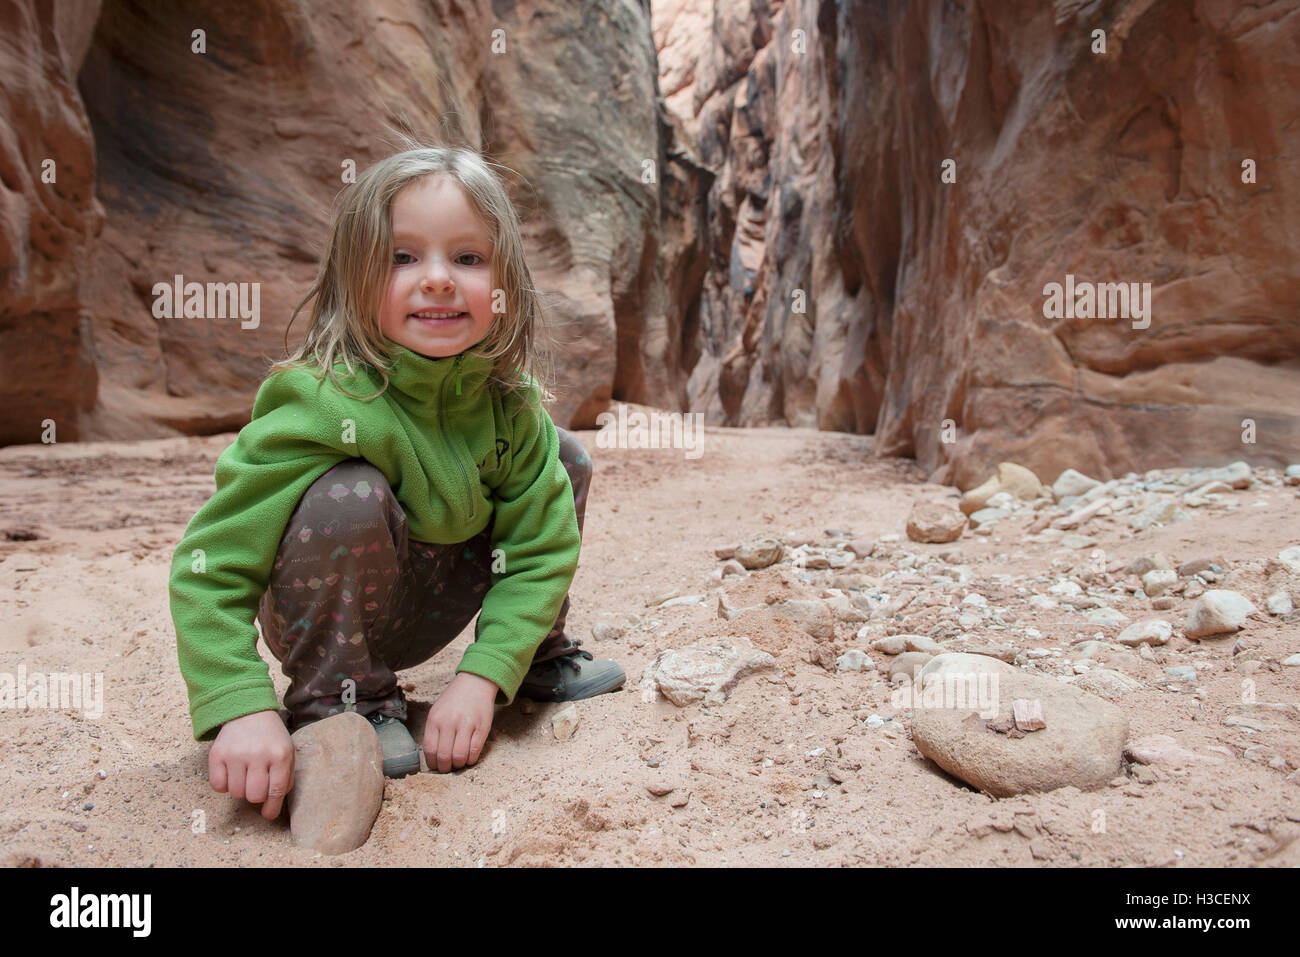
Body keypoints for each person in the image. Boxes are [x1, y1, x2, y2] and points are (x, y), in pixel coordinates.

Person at [168, 143, 625, 821]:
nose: (437, 280)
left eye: (467, 259)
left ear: (506, 284)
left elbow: (538, 547)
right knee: (348, 493)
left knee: (563, 458)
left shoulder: (509, 404)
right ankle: (340, 697)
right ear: (355, 279)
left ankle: (531, 654)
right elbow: (211, 563)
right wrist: (237, 703)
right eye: (402, 257)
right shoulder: (318, 400)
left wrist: (481, 676)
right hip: (333, 610)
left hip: (434, 592)